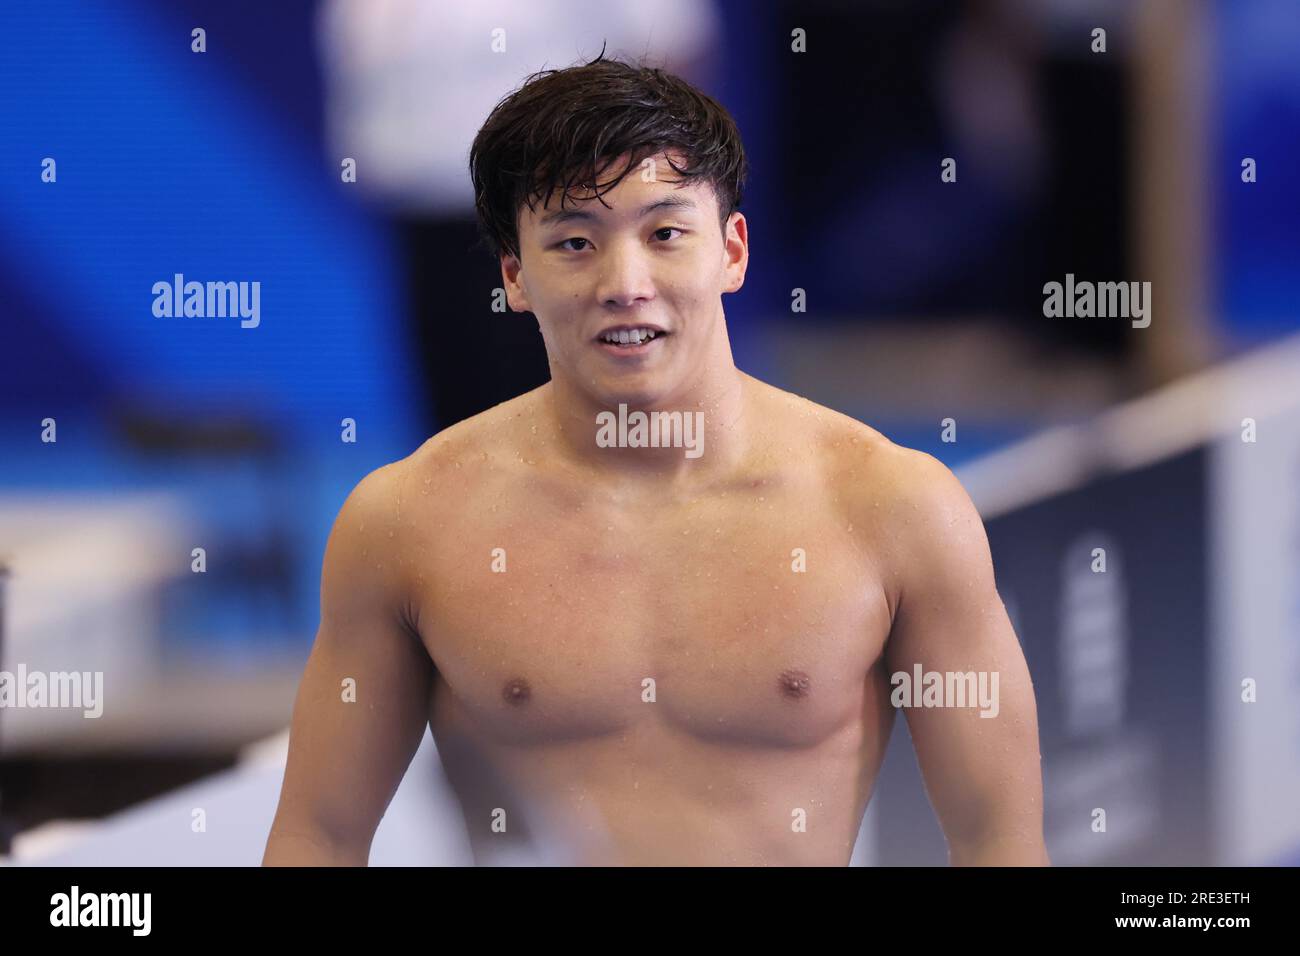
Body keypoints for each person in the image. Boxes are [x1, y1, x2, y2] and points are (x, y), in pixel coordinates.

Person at [264, 54, 1049, 866]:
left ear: (732, 251)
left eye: (665, 233)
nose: (625, 282)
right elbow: (318, 837)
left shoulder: (894, 506)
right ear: (515, 278)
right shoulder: (408, 522)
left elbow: (999, 841)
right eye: (574, 242)